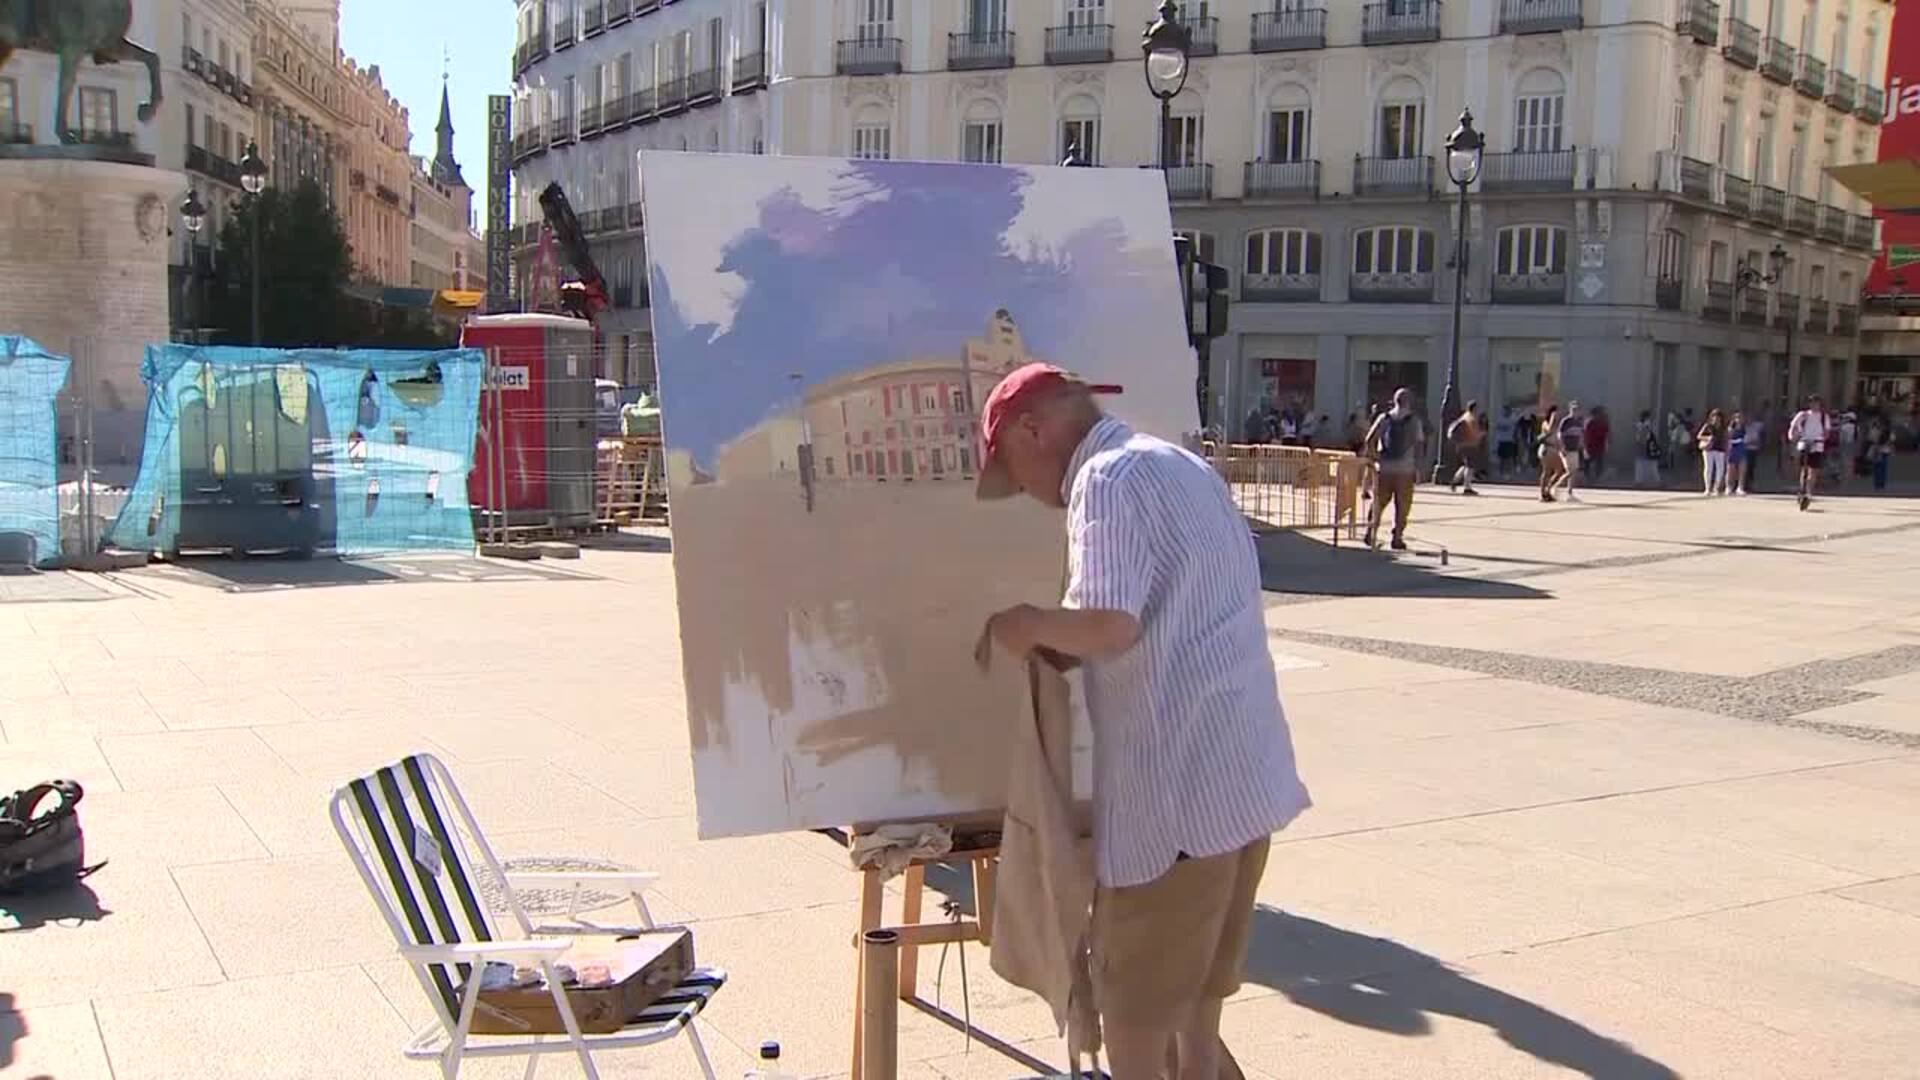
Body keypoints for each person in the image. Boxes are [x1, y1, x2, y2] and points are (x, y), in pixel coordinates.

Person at [975, 363, 1312, 1080]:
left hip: (1177, 811)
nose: (1029, 494)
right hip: (1242, 789)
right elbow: (1166, 624)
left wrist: (1025, 623)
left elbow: (1112, 625)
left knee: (1132, 1027)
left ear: (1032, 428)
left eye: (1011, 466)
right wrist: (1062, 650)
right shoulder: (1177, 465)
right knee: (1193, 1025)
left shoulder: (1107, 481)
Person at [1362, 387, 1426, 550]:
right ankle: (1397, 537)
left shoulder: (1384, 418)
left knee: (1378, 502)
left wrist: (1374, 458)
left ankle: (1370, 531)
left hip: (1384, 468)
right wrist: (1418, 468)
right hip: (1405, 469)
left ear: (1395, 401)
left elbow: (1369, 439)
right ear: (1409, 402)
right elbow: (1419, 446)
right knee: (1402, 505)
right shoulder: (1414, 421)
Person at [1788, 394, 1830, 511]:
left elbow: (1827, 431)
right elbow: (1793, 426)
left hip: (1817, 445)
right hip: (1804, 443)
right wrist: (1792, 436)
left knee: (1813, 470)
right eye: (1812, 402)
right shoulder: (1803, 415)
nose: (1814, 405)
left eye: (1816, 403)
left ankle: (1809, 493)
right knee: (1804, 469)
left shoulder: (1823, 416)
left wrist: (1823, 438)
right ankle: (1802, 490)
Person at [1447, 400, 1484, 495]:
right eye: (1477, 408)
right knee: (1470, 466)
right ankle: (1467, 487)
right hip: (1469, 445)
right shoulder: (1471, 418)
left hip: (1462, 445)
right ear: (1474, 408)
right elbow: (1474, 433)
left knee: (1465, 465)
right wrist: (1482, 434)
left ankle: (1455, 481)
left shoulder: (1465, 416)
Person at [1555, 402, 1587, 502]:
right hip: (1566, 450)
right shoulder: (1565, 421)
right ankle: (1556, 487)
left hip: (1575, 449)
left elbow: (1581, 436)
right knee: (1569, 471)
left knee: (1574, 472)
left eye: (1577, 409)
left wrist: (1583, 449)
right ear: (1570, 410)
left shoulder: (1579, 422)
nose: (1575, 411)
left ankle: (1569, 493)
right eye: (1573, 409)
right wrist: (1562, 447)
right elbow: (1559, 435)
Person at [1537, 404, 1566, 502]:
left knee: (1560, 470)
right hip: (1546, 448)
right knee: (1546, 471)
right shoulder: (1546, 423)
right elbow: (1548, 431)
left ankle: (1548, 489)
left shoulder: (1559, 425)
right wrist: (1552, 419)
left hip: (1555, 449)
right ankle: (1542, 493)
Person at [1697, 408, 1729, 495]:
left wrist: (1726, 449)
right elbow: (1699, 436)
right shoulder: (1708, 426)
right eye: (1714, 416)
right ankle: (1707, 488)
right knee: (1708, 468)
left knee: (1720, 469)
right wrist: (1707, 438)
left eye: (1718, 417)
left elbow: (1726, 439)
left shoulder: (1723, 427)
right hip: (1709, 449)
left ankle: (1717, 487)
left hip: (1720, 449)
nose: (1716, 419)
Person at [1633, 410, 1661, 487]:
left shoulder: (1640, 425)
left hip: (1643, 444)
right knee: (1649, 463)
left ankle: (1640, 480)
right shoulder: (1645, 425)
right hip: (1646, 445)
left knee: (1642, 463)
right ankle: (1654, 480)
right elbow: (1645, 435)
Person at [1583, 406, 1611, 482]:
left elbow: (1606, 434)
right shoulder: (1590, 422)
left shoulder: (1603, 422)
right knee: (1589, 462)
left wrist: (1606, 444)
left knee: (1598, 462)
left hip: (1599, 445)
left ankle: (1595, 477)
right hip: (1591, 445)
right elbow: (1586, 434)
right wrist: (1585, 446)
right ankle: (1589, 477)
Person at [1727, 410, 1750, 495]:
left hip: (1742, 449)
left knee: (1742, 469)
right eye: (1737, 417)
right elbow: (1728, 438)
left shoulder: (1745, 428)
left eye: (1740, 417)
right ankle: (1729, 487)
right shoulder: (1731, 428)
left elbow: (1748, 439)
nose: (1739, 419)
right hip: (1733, 449)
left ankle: (1740, 487)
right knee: (1731, 470)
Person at [1743, 411, 1767, 493]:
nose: (1748, 419)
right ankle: (1743, 484)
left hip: (1753, 448)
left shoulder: (1757, 425)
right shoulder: (1743, 426)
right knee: (1744, 467)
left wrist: (1760, 443)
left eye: (1750, 417)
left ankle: (1750, 484)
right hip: (1744, 448)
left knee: (1751, 467)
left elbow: (1763, 431)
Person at [1869, 415, 1894, 491]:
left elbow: (1870, 439)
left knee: (1877, 468)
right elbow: (1892, 439)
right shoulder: (1888, 431)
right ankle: (1881, 484)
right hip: (1884, 450)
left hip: (1877, 450)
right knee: (1882, 468)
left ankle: (1877, 484)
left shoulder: (1874, 430)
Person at [1494, 405, 1519, 479]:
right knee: (1501, 459)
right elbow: (1497, 428)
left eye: (1507, 410)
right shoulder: (1500, 419)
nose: (1506, 412)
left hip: (1509, 441)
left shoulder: (1513, 419)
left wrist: (1516, 438)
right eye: (1504, 410)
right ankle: (1501, 472)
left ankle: (1508, 473)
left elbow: (1515, 429)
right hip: (1501, 441)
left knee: (1509, 458)